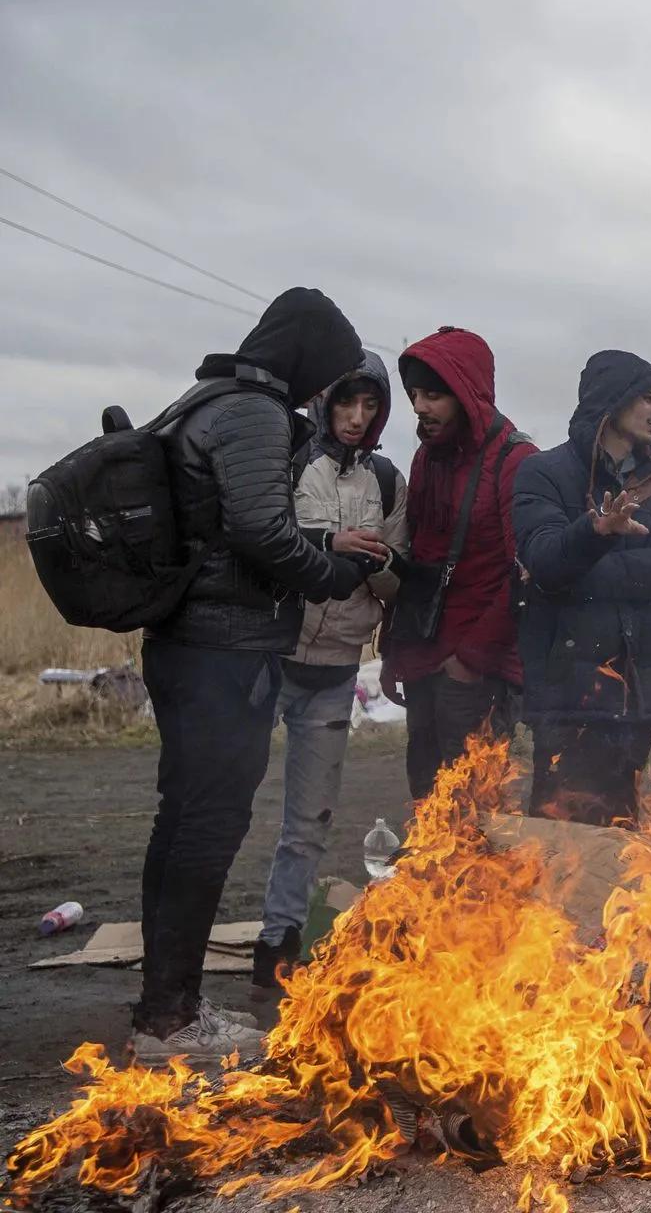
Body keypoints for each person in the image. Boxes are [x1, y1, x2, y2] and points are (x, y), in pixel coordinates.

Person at [137, 288, 374, 1063]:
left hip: (188, 639)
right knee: (207, 826)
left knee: (183, 819)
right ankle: (170, 1020)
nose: (322, 393)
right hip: (225, 647)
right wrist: (329, 571)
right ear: (301, 354)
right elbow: (260, 528)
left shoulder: (202, 398)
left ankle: (164, 1006)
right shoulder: (254, 413)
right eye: (325, 375)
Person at [251, 350, 409, 999]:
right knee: (226, 806)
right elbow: (260, 545)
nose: (356, 417)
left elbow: (399, 583)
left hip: (338, 666)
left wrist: (378, 561)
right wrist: (326, 547)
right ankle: (182, 948)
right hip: (268, 657)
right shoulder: (291, 461)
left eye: (370, 405)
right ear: (324, 403)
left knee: (310, 820)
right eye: (346, 403)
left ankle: (276, 947)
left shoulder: (389, 481)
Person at [513, 350, 651, 826]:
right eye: (648, 398)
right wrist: (594, 533)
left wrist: (585, 573)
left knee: (621, 853)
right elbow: (547, 562)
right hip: (570, 698)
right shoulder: (543, 472)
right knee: (562, 855)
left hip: (638, 696)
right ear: (611, 402)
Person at [379, 326, 537, 800]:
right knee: (427, 800)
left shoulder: (517, 460)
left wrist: (470, 659)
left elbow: (527, 576)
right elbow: (419, 560)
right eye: (415, 395)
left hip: (477, 670)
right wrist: (396, 650)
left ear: (467, 394)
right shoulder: (428, 457)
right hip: (425, 656)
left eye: (434, 394)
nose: (420, 407)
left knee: (475, 813)